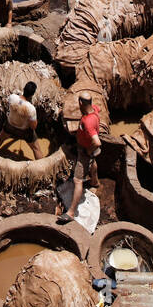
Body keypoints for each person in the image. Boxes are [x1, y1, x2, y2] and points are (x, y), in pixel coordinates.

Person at [62, 94, 102, 223]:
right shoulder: (94, 110)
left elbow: (97, 141)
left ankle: (71, 212)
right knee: (93, 162)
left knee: (77, 180)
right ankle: (95, 182)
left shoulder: (88, 122)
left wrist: (87, 151)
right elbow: (98, 109)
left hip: (86, 150)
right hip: (90, 150)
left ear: (80, 103)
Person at [0, 81, 46, 161]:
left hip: (10, 126)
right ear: (32, 95)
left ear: (23, 89)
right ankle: (40, 167)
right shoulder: (31, 109)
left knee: (0, 140)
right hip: (24, 131)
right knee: (36, 149)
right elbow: (33, 127)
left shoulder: (12, 97)